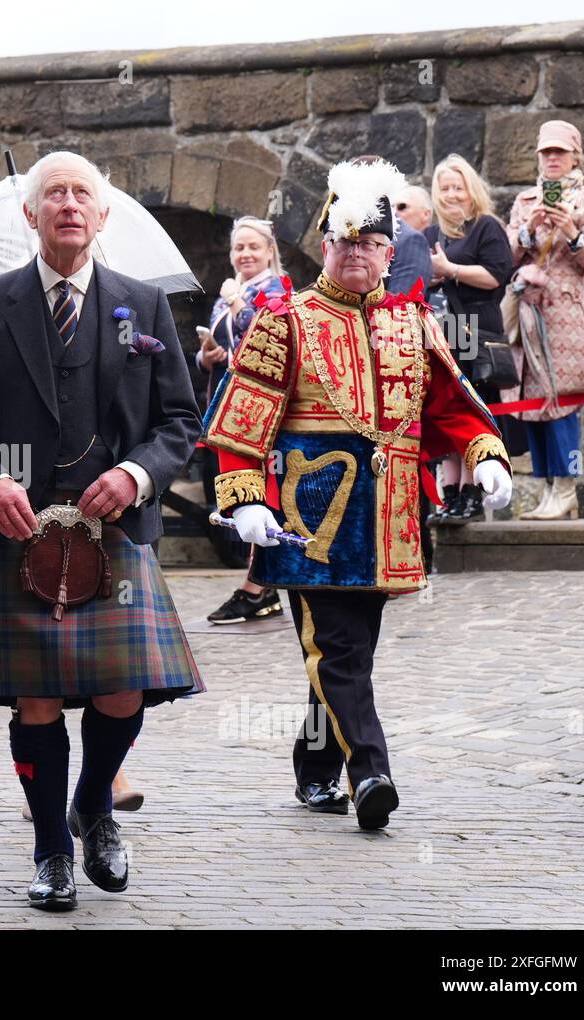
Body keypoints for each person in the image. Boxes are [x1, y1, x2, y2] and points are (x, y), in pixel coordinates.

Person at [201, 157, 512, 831]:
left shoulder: (411, 320)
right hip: (308, 522)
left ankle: (314, 770)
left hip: (390, 521)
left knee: (347, 653)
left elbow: (449, 406)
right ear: (325, 246)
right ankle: (370, 770)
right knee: (338, 650)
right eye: (345, 244)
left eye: (371, 245)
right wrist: (244, 495)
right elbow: (244, 417)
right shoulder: (284, 320)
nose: (358, 256)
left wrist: (483, 451)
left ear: (387, 250)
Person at [0, 150, 203, 911]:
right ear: (32, 215)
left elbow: (181, 420)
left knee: (123, 692)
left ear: (103, 214)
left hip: (110, 529)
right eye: (54, 194)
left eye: (83, 193)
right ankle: (52, 848)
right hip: (16, 535)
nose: (69, 205)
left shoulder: (142, 306)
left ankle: (95, 809)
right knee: (39, 699)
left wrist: (139, 474)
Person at [506, 120, 584, 521]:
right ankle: (549, 489)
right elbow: (508, 256)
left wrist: (572, 233)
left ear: (574, 156)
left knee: (563, 399)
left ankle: (567, 487)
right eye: (546, 152)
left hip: (564, 314)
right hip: (529, 312)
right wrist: (529, 231)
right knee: (532, 403)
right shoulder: (524, 201)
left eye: (559, 152)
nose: (551, 159)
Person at [198, 216, 288, 625]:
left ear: (270, 250)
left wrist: (237, 303)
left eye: (254, 247)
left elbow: (266, 338)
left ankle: (256, 587)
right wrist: (208, 354)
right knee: (240, 495)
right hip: (229, 403)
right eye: (239, 248)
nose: (245, 254)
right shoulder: (229, 292)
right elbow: (221, 347)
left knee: (264, 492)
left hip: (263, 409)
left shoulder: (277, 289)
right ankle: (260, 585)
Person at [423, 154, 513, 523]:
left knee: (470, 410)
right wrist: (430, 277)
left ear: (471, 190)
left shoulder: (486, 227)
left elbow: (496, 276)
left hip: (475, 328)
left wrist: (450, 269)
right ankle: (449, 496)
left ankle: (471, 494)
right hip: (441, 332)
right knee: (445, 410)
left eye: (457, 187)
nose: (450, 195)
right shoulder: (431, 233)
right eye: (444, 188)